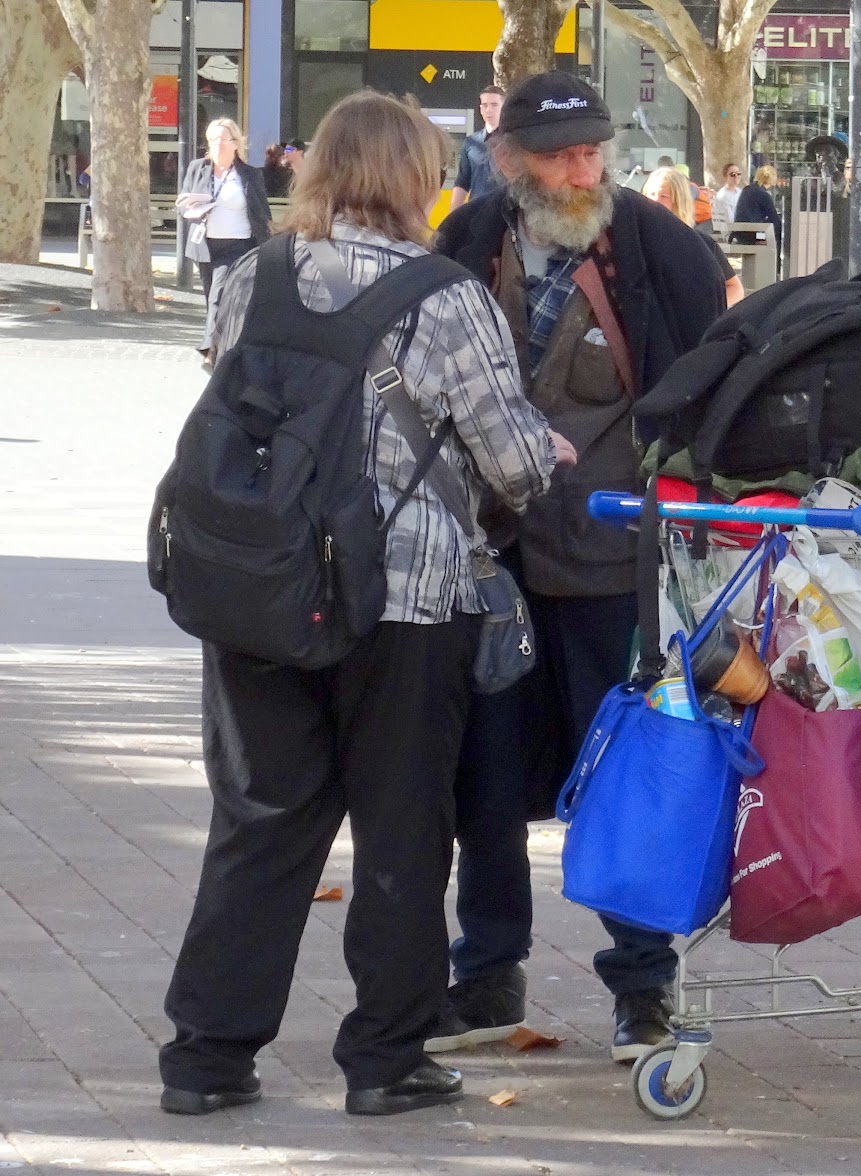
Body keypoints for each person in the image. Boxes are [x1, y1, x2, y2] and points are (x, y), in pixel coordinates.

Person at [157, 89, 575, 1119]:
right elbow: (514, 464)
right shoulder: (443, 294)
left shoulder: (252, 276)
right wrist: (547, 454)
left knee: (258, 821)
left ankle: (207, 1058)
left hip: (263, 584)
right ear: (418, 180)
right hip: (406, 599)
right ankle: (387, 1060)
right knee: (399, 827)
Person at [429, 71, 728, 1065]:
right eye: (559, 153)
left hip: (615, 565)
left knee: (625, 781)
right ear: (508, 157)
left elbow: (707, 401)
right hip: (492, 555)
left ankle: (644, 989)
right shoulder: (468, 241)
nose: (580, 168)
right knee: (484, 775)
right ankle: (486, 977)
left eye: (593, 150)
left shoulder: (662, 249)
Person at [176, 118, 271, 363]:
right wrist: (190, 208)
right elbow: (183, 203)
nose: (218, 144)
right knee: (212, 299)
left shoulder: (249, 175)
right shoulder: (198, 168)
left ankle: (210, 351)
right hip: (205, 245)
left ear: (235, 143)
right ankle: (225, 345)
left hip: (239, 245)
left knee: (219, 294)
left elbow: (261, 212)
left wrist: (270, 245)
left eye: (223, 139)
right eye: (213, 139)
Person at [645, 166, 744, 304]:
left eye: (663, 196)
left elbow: (735, 288)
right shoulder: (634, 240)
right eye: (651, 194)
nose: (654, 201)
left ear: (679, 202)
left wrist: (707, 311)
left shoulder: (700, 243)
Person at [450, 85, 506, 210]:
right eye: (485, 105)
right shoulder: (471, 142)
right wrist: (452, 216)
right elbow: (463, 181)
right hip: (476, 211)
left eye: (494, 105)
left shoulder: (513, 142)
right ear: (480, 109)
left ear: (503, 108)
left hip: (505, 213)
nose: (489, 110)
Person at [732, 164, 782, 259]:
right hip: (753, 235)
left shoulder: (747, 189)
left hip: (740, 233)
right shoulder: (764, 195)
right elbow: (775, 220)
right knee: (778, 234)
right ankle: (777, 265)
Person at [712, 162, 743, 233]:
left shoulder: (740, 192)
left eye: (738, 174)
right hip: (731, 232)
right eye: (732, 175)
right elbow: (729, 220)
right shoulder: (723, 196)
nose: (736, 177)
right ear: (726, 177)